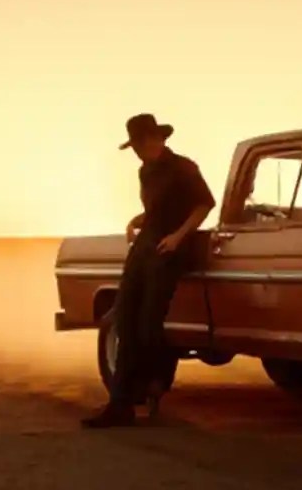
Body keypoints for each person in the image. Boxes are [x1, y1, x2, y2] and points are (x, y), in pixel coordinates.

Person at [81, 113, 216, 428]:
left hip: (168, 251)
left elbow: (204, 204)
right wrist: (135, 221)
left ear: (156, 139)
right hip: (143, 247)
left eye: (141, 144)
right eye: (136, 147)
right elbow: (155, 209)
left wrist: (178, 237)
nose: (139, 152)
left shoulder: (184, 168)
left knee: (148, 324)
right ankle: (120, 405)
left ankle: (155, 383)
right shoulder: (146, 172)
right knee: (123, 318)